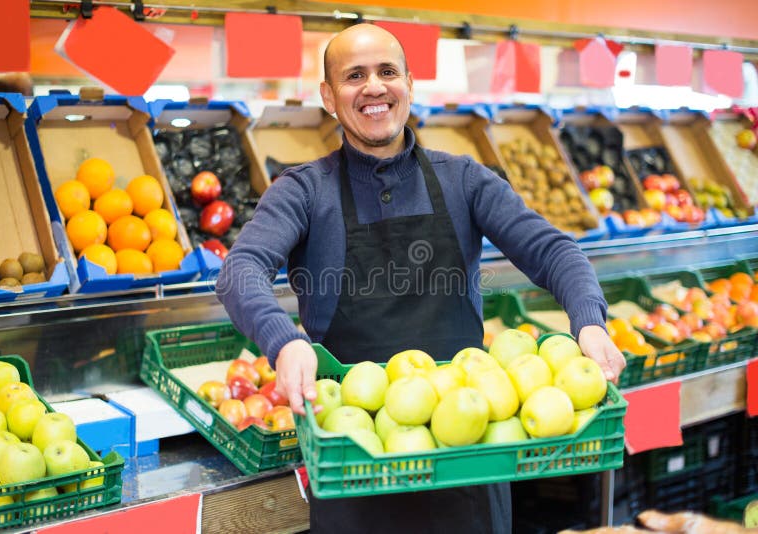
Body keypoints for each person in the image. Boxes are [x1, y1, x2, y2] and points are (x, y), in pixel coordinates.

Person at [218, 23, 626, 534]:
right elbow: (240, 272)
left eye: (387, 71)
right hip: (355, 466)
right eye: (354, 76)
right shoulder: (302, 190)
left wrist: (588, 321)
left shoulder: (465, 179)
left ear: (410, 82)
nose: (374, 87)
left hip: (469, 461)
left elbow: (554, 250)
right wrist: (285, 343)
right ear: (327, 95)